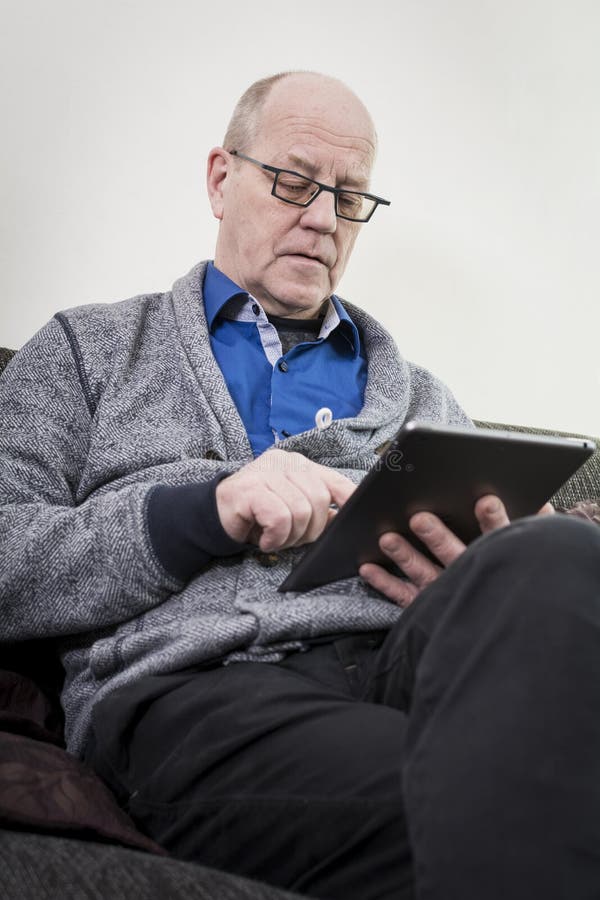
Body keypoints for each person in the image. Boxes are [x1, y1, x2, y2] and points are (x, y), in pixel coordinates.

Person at [1, 70, 600, 900]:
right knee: (495, 805)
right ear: (221, 177)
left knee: (558, 553)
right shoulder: (83, 353)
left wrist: (484, 572)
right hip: (204, 688)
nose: (321, 218)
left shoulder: (422, 396)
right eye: (294, 180)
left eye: (350, 197)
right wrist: (204, 511)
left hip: (406, 658)